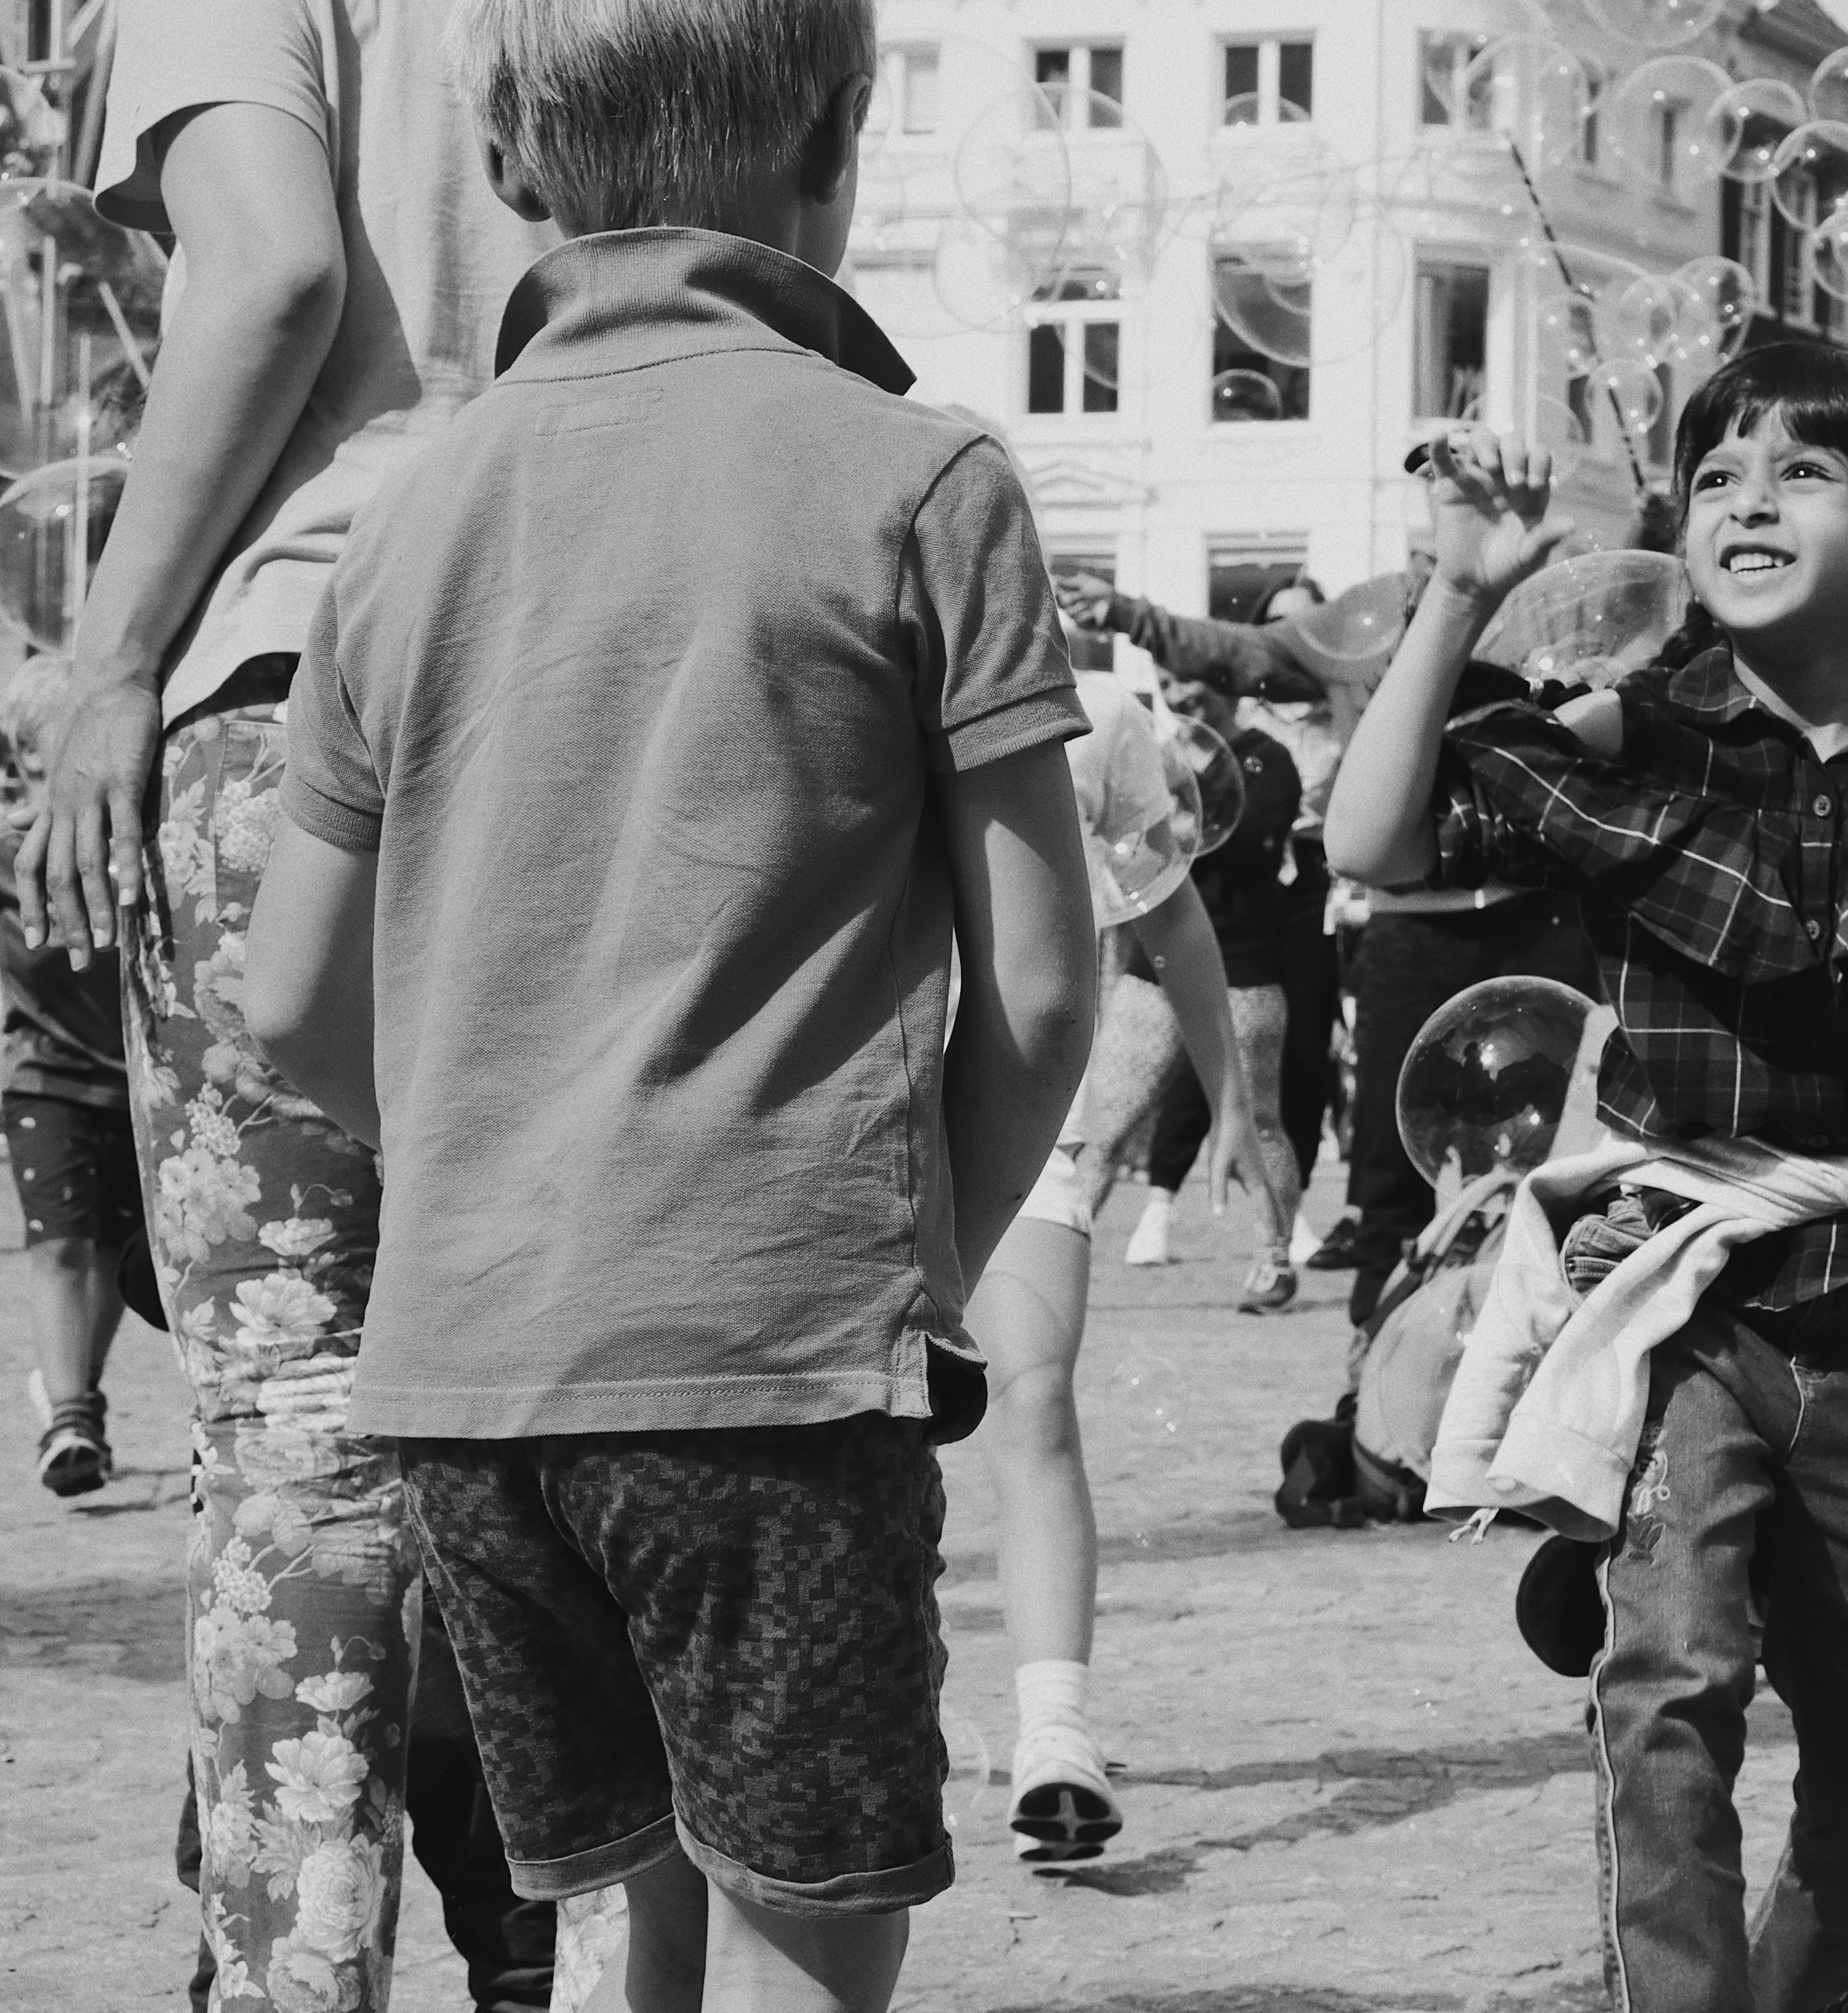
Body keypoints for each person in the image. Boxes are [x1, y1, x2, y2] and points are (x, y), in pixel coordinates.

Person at [235, 7, 1104, 2008]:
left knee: (625, 1920)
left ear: (509, 165)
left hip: (473, 1378)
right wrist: (927, 1263)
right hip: (770, 1358)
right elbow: (1045, 987)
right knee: (809, 1941)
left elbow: (291, 995)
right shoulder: (918, 475)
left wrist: (480, 1163)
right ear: (841, 127)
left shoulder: (413, 518)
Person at [1328, 344, 1848, 2013]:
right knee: (1671, 1692)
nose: (1742, 498)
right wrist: (1457, 592)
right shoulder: (1630, 730)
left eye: (1796, 472)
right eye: (1716, 474)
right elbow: (1372, 842)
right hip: (1683, 1285)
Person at [10, 0, 564, 2004]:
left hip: (309, 692)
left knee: (302, 1421)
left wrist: (106, 662)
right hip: (613, 690)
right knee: (585, 1415)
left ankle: (298, 1975)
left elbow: (270, 265)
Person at [1066, 563, 1599, 1324]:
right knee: (1391, 1172)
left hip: (1543, 919)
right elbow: (1242, 648)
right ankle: (1373, 1372)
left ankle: (1556, 1361)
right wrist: (1125, 610)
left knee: (1566, 1167)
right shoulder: (1370, 621)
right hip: (1411, 921)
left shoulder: (1548, 614)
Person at [975, 669, 1266, 1864]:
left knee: (1034, 1392)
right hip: (838, 1107)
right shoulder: (832, 641)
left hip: (1019, 1111)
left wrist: (1233, 1096)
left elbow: (1172, 914)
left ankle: (1056, 1732)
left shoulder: (1097, 707)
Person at [1068, 674, 1306, 1308]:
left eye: (1191, 681)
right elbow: (1133, 856)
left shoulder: (1268, 756)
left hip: (1245, 966)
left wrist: (1175, 800)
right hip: (1151, 970)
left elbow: (1249, 845)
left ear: (1226, 682)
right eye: (1169, 683)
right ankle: (1063, 1246)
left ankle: (1274, 1257)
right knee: (1102, 1122)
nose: (1180, 694)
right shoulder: (1152, 747)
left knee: (1256, 1119)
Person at [1, 654, 136, 1498]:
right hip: (41, 1075)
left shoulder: (134, 834)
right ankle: (72, 1417)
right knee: (59, 1246)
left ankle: (73, 1387)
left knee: (119, 1255)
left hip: (137, 1078)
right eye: (29, 768)